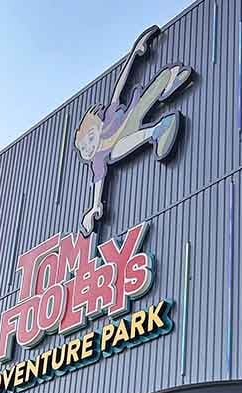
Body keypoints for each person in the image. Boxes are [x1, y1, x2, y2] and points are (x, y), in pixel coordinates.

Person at [75, 25, 192, 236]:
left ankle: (171, 78)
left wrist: (134, 55)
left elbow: (121, 86)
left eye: (89, 139)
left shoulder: (110, 116)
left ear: (98, 127)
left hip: (134, 115)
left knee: (154, 90)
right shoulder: (99, 160)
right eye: (84, 148)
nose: (88, 147)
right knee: (117, 150)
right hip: (129, 140)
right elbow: (99, 182)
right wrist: (94, 207)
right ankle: (160, 129)